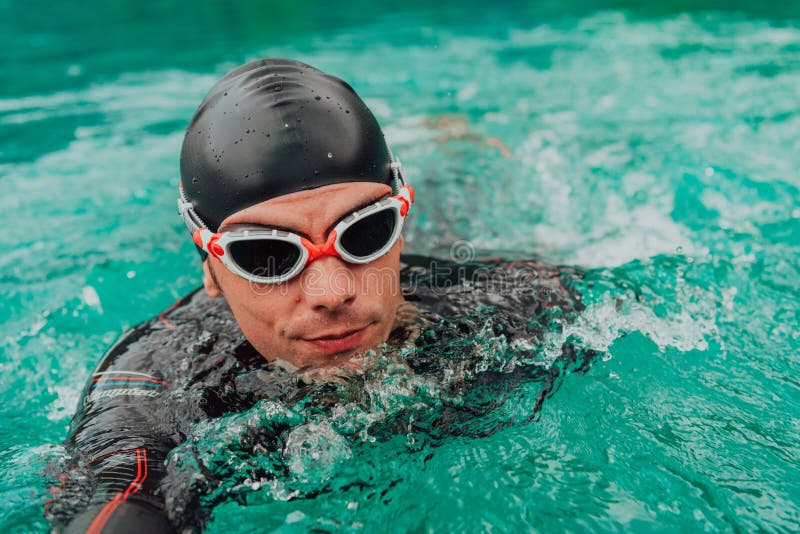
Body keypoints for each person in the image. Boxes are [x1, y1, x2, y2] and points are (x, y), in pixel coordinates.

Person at [46, 59, 591, 533]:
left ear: (400, 222)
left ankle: (450, 144)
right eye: (266, 254)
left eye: (366, 231)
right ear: (210, 266)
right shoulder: (154, 380)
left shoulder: (506, 300)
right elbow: (121, 495)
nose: (332, 292)